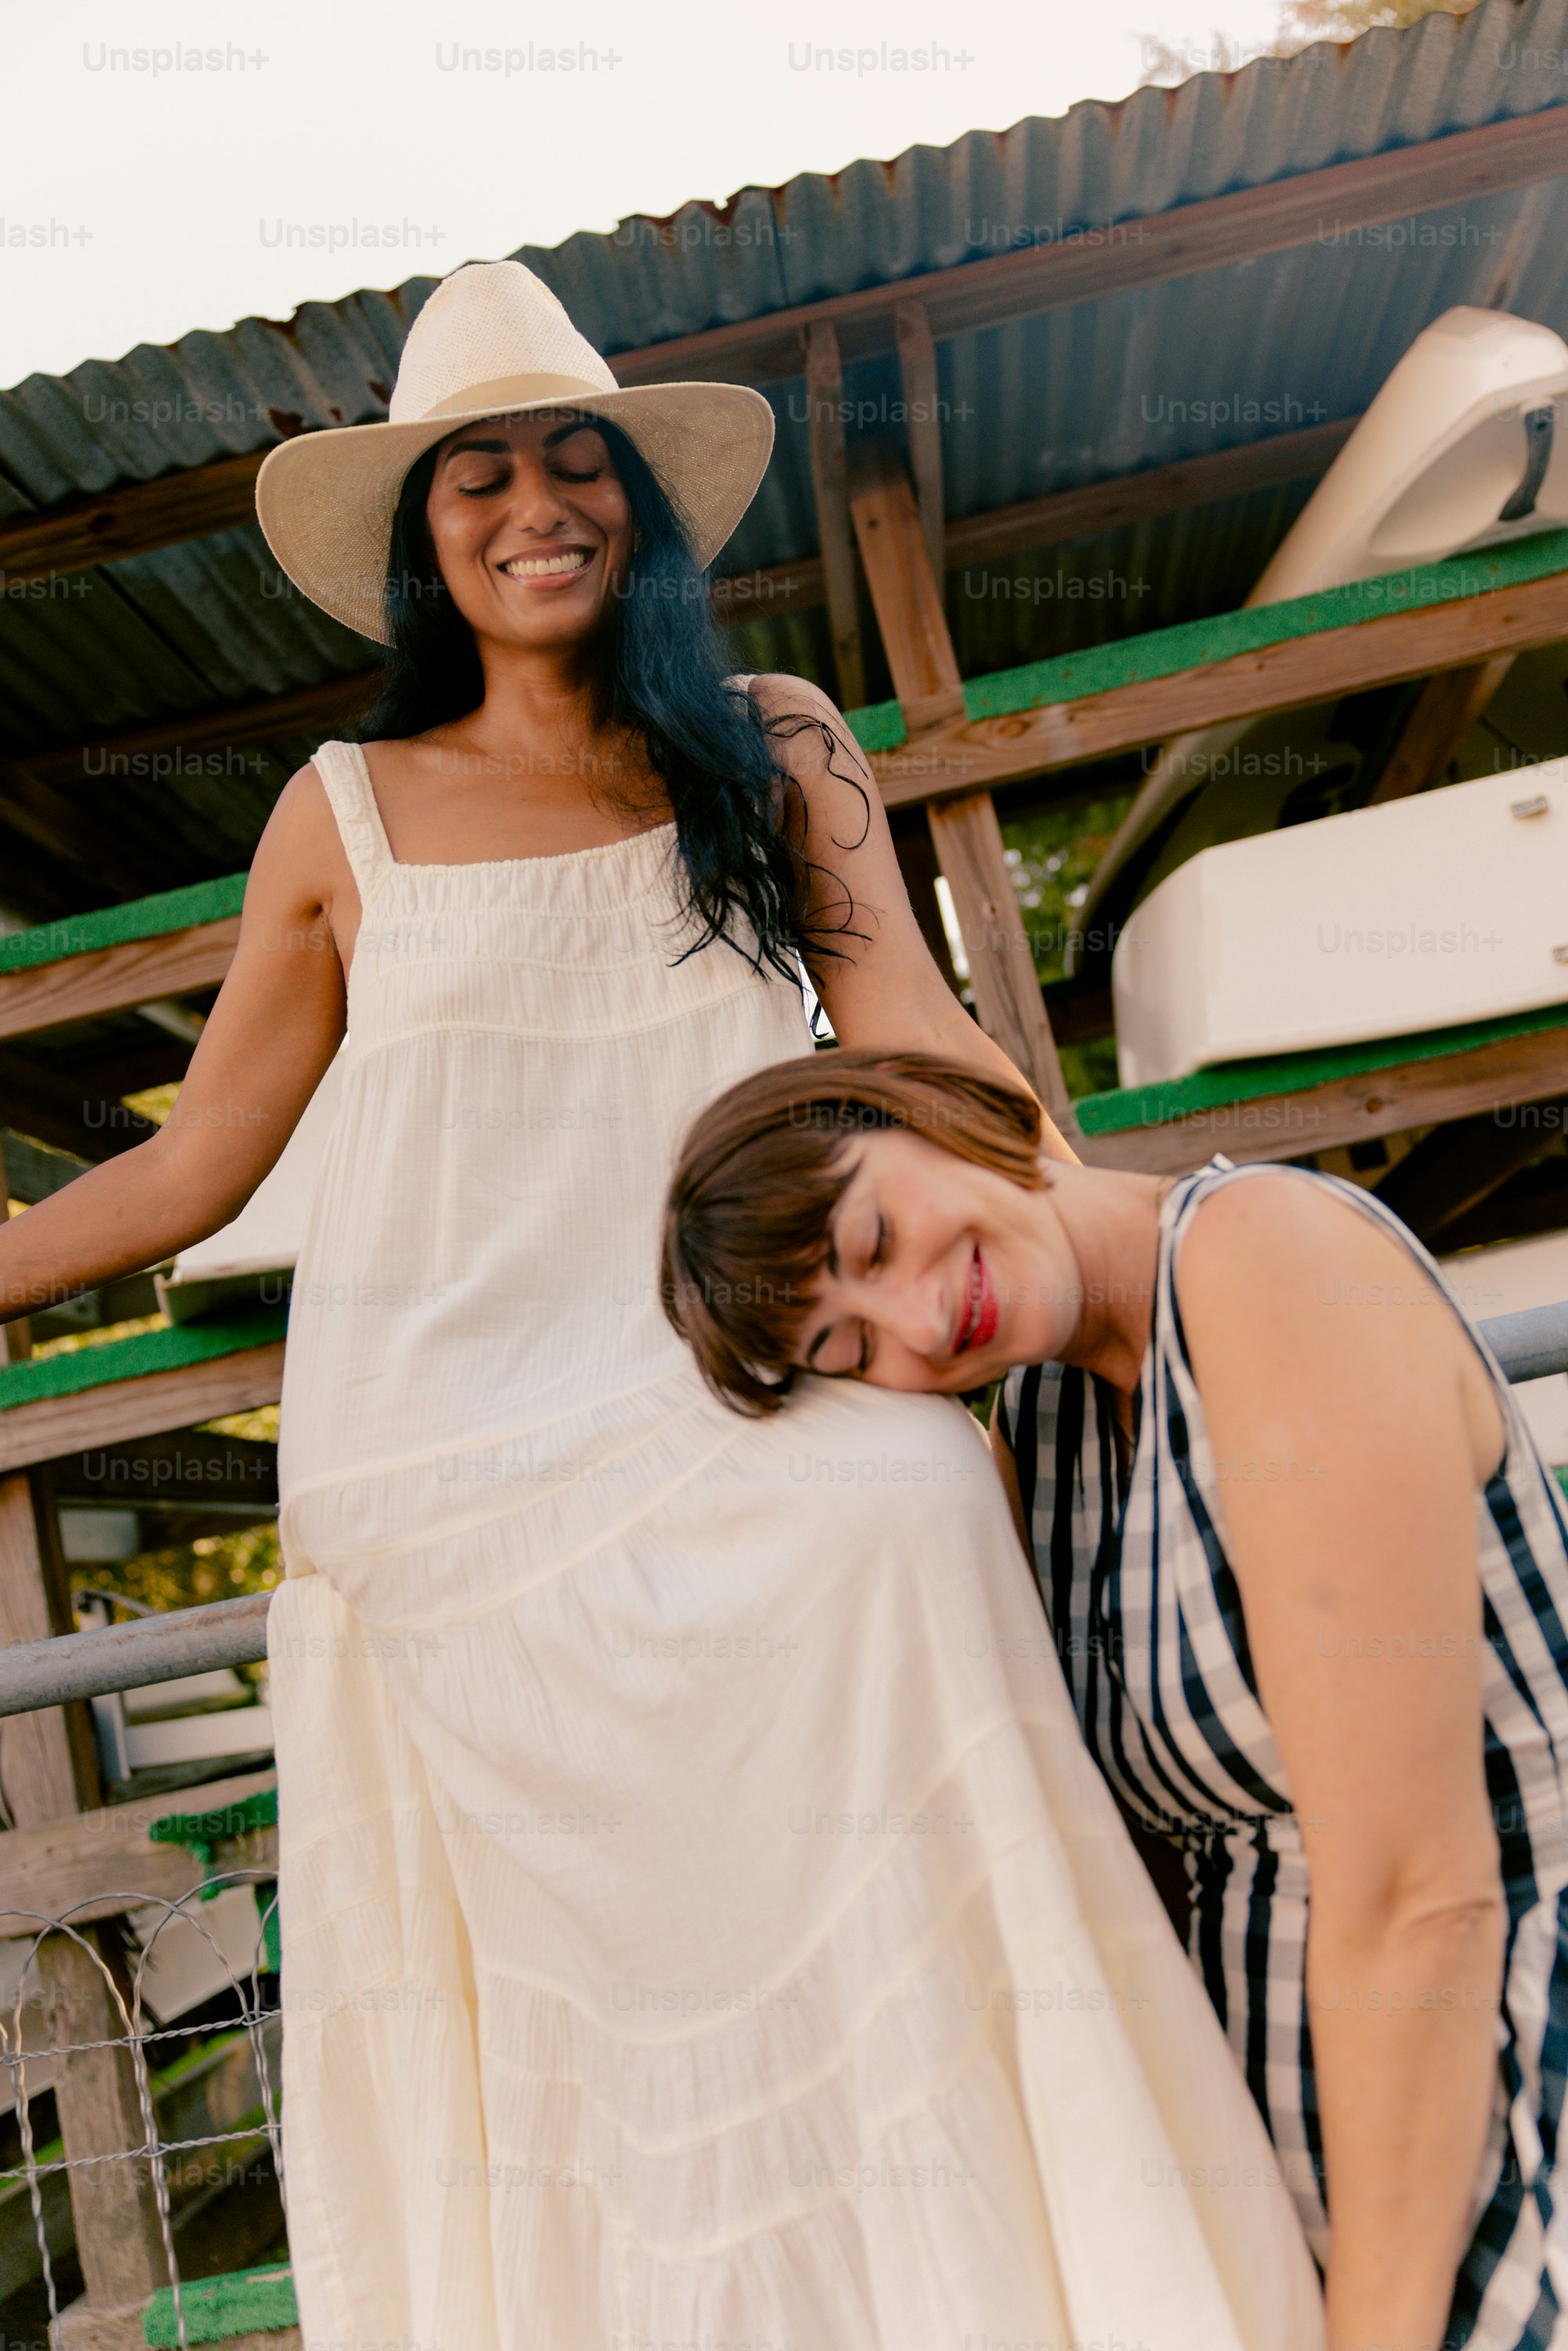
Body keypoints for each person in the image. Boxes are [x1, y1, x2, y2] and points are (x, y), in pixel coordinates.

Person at [0, 263, 1322, 2351]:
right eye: (480, 477)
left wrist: (1130, 1230)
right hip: (444, 1467)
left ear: (636, 501)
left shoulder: (770, 750)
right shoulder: (337, 818)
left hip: (730, 1377)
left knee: (904, 1495)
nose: (537, 503)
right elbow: (190, 1166)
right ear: (424, 541)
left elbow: (910, 1023)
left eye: (575, 457)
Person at [662, 1045, 1568, 2351]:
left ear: (935, 1117)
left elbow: (1420, 1899)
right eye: (849, 1349)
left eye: (876, 1236)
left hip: (1500, 2095)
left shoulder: (1258, 1259)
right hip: (1309, 2183)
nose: (918, 1323)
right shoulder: (1042, 1415)